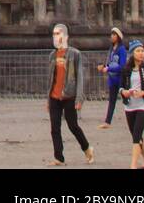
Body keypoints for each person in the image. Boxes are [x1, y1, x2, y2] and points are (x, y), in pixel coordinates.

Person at [46, 23, 94, 166]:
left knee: (73, 125)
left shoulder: (74, 54)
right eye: (54, 34)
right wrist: (48, 99)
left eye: (58, 33)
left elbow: (79, 77)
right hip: (54, 96)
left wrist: (79, 98)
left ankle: (87, 148)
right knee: (55, 128)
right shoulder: (52, 55)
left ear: (66, 36)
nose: (56, 37)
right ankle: (59, 157)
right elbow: (50, 79)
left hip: (69, 96)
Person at [120, 41, 144, 169]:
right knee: (135, 134)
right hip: (130, 105)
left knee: (136, 135)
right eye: (138, 51)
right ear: (132, 53)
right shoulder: (126, 69)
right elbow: (120, 87)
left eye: (143, 51)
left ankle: (133, 165)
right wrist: (124, 92)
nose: (141, 53)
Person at [97, 27, 127, 128]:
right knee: (112, 101)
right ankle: (107, 121)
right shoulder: (111, 49)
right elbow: (110, 63)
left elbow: (122, 66)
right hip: (112, 78)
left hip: (120, 78)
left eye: (114, 35)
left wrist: (109, 69)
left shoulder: (121, 49)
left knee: (126, 99)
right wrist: (104, 67)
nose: (112, 37)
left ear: (118, 37)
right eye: (112, 35)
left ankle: (135, 115)